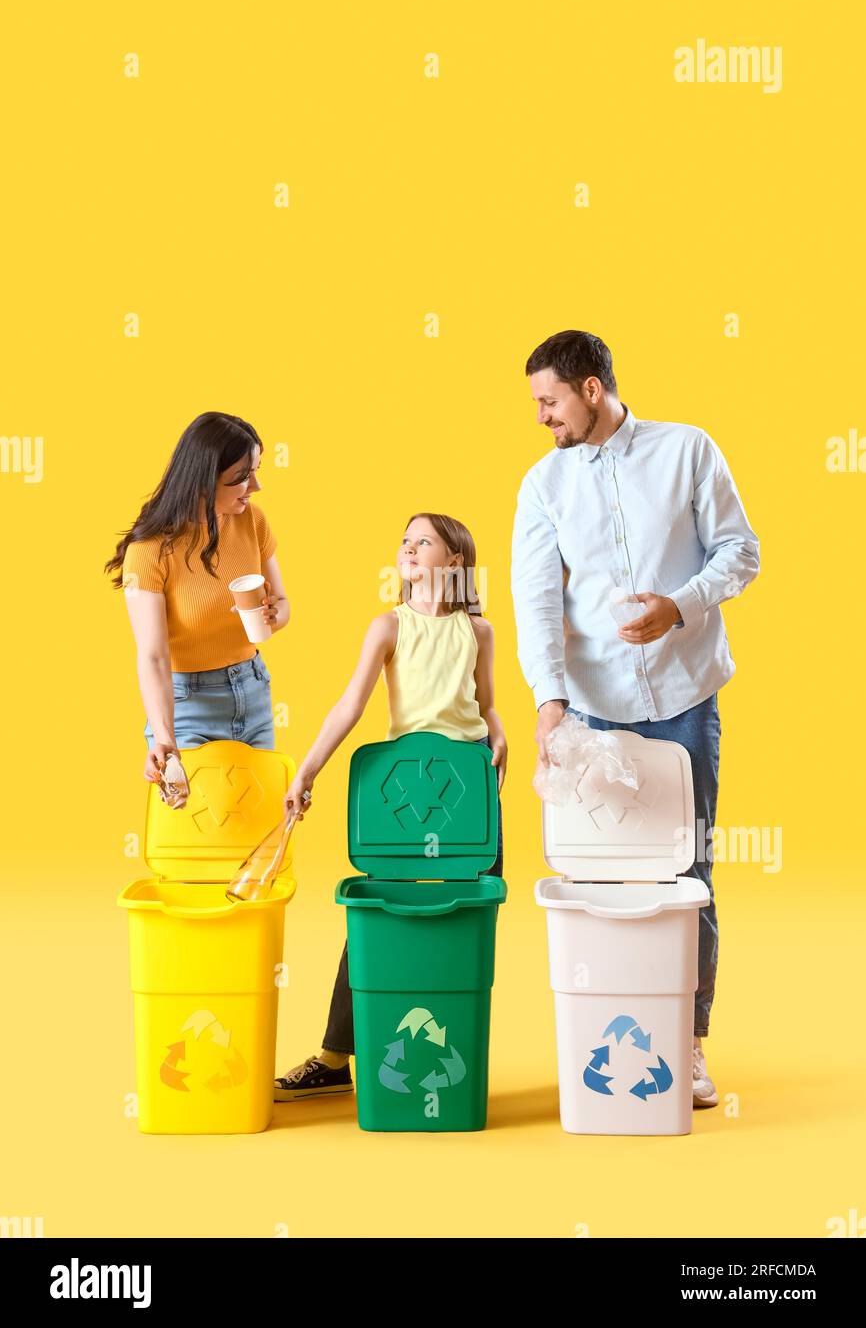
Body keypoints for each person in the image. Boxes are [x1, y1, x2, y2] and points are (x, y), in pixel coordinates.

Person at [510, 330, 760, 1108]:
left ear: (591, 388)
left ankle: (685, 1046)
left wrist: (679, 607)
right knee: (596, 881)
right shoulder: (543, 484)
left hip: (685, 701)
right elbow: (539, 600)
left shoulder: (687, 450)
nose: (542, 418)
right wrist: (551, 704)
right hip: (594, 715)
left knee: (689, 876)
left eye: (549, 401)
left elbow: (741, 552)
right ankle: (609, 1032)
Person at [274, 512, 507, 1101]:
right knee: (379, 919)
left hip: (467, 793)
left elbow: (486, 702)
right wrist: (305, 772)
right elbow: (350, 705)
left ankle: (448, 1041)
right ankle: (335, 1057)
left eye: (422, 541)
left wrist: (499, 735)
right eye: (404, 540)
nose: (407, 548)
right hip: (409, 797)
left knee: (466, 918)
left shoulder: (479, 632)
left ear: (454, 560)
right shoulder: (388, 627)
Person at [105, 412, 289, 778]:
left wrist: (273, 614)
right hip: (187, 703)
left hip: (252, 689)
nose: (256, 487)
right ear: (204, 481)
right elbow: (153, 656)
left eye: (256, 471)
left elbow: (282, 605)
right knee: (191, 821)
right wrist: (164, 739)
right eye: (242, 478)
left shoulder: (253, 521)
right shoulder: (150, 551)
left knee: (255, 828)